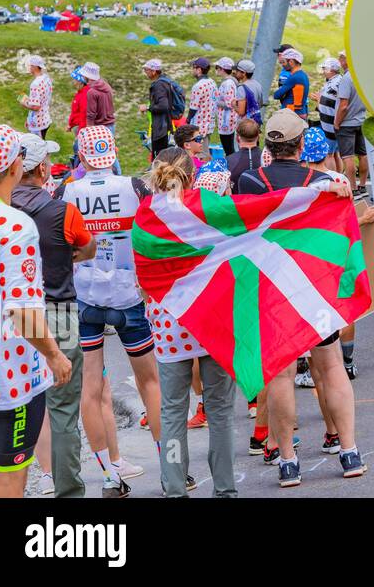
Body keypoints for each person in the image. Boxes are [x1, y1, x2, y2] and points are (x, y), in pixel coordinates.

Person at [236, 109, 364, 487]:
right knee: (331, 367)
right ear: (300, 143)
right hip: (315, 290)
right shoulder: (325, 181)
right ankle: (349, 451)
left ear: (269, 146)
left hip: (273, 289)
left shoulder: (248, 180)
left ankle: (289, 461)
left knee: (280, 375)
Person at [59, 126, 168, 497]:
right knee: (151, 383)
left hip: (86, 296)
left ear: (82, 156)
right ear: (113, 152)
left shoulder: (68, 191)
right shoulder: (135, 186)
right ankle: (171, 471)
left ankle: (109, 476)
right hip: (130, 294)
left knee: (90, 388)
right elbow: (156, 233)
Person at [0, 126, 73, 499]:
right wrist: (53, 354)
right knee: (8, 481)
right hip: (6, 373)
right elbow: (23, 310)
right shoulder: (14, 225)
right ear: (15, 166)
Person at [143, 148, 237, 497]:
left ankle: (173, 487)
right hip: (212, 317)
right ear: (192, 177)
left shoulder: (146, 215)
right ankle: (226, 489)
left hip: (169, 323)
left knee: (172, 412)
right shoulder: (208, 207)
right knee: (221, 411)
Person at [10, 133, 95, 499]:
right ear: (43, 169)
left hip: (10, 316)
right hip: (58, 310)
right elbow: (87, 248)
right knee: (62, 410)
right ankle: (68, 491)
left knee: (13, 409)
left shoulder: (0, 212)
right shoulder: (64, 210)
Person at [334, 51, 369, 195]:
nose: (339, 61)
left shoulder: (346, 79)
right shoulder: (362, 77)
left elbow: (343, 105)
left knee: (347, 157)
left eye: (341, 58)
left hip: (347, 123)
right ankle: (362, 185)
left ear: (346, 61)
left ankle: (353, 188)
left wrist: (337, 122)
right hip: (361, 120)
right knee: (362, 154)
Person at [143, 58, 179, 154]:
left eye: (147, 70)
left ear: (154, 71)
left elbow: (163, 106)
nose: (145, 72)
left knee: (160, 157)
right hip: (165, 126)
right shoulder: (165, 81)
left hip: (161, 129)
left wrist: (147, 108)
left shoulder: (159, 85)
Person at [226, 118, 265, 192]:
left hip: (237, 202)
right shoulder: (267, 159)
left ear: (237, 138)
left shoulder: (228, 161)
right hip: (262, 201)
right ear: (258, 137)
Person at [20, 54, 53, 139]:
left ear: (34, 67)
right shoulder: (46, 78)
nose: (28, 67)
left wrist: (24, 103)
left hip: (38, 123)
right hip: (45, 118)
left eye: (29, 65)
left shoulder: (35, 84)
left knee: (38, 149)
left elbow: (36, 107)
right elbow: (42, 98)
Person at [273, 48, 310, 118]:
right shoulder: (303, 75)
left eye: (283, 62)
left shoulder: (294, 77)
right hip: (300, 112)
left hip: (292, 113)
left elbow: (277, 95)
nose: (282, 65)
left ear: (291, 62)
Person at [316, 57, 343, 151]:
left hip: (331, 124)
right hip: (328, 123)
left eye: (324, 69)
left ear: (331, 70)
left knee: (328, 154)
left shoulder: (336, 83)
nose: (323, 71)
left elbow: (336, 103)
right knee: (335, 154)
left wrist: (319, 99)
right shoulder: (331, 80)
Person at [214, 57, 239, 155]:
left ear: (222, 69)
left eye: (217, 67)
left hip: (226, 120)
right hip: (226, 119)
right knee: (228, 147)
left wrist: (216, 101)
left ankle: (231, 167)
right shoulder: (228, 82)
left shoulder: (228, 83)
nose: (216, 70)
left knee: (228, 148)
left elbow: (229, 103)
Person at [186, 57, 217, 133]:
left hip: (198, 127)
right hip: (209, 125)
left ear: (199, 70)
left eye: (193, 67)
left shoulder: (198, 86)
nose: (192, 70)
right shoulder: (212, 82)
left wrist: (187, 120)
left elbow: (193, 108)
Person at [233, 59, 264, 124]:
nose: (235, 72)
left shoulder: (242, 88)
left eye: (237, 70)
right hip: (255, 123)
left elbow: (241, 112)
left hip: (245, 125)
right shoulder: (258, 84)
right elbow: (260, 104)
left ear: (244, 73)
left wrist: (233, 105)